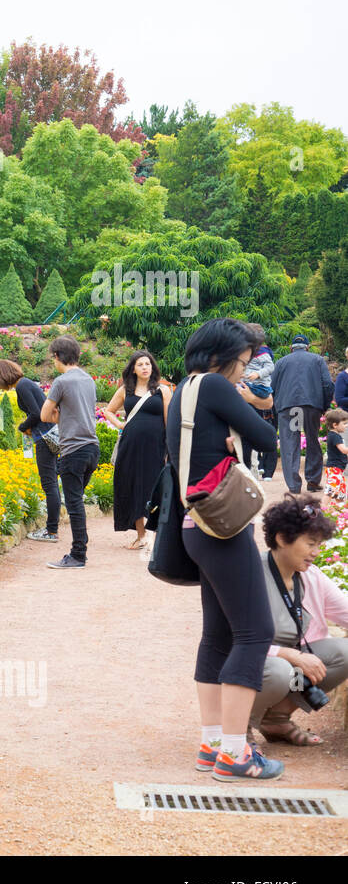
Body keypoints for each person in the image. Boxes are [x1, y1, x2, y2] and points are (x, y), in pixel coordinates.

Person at [167, 318, 282, 781]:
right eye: (243, 361)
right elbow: (267, 439)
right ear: (221, 356)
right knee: (254, 632)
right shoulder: (215, 386)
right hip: (223, 528)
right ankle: (235, 753)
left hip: (194, 524)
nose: (245, 369)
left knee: (217, 636)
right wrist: (252, 400)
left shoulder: (184, 390)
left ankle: (212, 743)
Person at [249, 494, 348, 746]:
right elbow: (231, 641)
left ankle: (277, 719)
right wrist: (288, 655)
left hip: (291, 663)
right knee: (280, 671)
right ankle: (238, 727)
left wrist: (295, 657)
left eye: (319, 545)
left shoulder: (310, 576)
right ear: (282, 538)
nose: (316, 552)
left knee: (344, 653)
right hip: (252, 663)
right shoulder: (251, 574)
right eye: (310, 544)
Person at [39, 336, 99, 569]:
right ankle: (79, 552)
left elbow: (45, 415)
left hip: (73, 449)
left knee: (74, 504)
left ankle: (78, 555)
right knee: (77, 502)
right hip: (92, 448)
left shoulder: (61, 381)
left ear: (57, 356)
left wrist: (60, 416)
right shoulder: (89, 380)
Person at [102, 350, 171, 550]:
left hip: (156, 447)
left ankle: (156, 537)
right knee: (134, 487)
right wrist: (120, 425)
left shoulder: (162, 390)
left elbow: (169, 422)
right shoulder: (126, 390)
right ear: (133, 368)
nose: (144, 367)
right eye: (140, 364)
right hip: (131, 446)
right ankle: (141, 536)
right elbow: (108, 411)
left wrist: (169, 449)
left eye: (147, 364)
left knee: (155, 489)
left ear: (152, 367)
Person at [0, 359, 61, 544]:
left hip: (44, 437)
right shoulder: (26, 383)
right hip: (49, 435)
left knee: (49, 484)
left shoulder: (22, 386)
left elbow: (36, 413)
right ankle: (52, 528)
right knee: (52, 482)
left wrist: (22, 427)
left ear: (2, 376)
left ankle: (51, 531)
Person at [271, 334, 334, 494]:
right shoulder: (318, 360)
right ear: (307, 347)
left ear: (291, 348)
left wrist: (277, 406)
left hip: (289, 407)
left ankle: (294, 485)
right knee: (312, 440)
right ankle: (313, 481)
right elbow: (327, 384)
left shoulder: (281, 362)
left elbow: (272, 387)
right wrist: (325, 405)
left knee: (290, 443)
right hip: (311, 406)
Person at [240, 324, 278, 480]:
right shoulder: (243, 354)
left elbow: (268, 402)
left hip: (258, 387)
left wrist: (257, 374)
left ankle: (259, 471)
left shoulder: (262, 353)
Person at [324, 409, 348, 501]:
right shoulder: (335, 436)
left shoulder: (334, 435)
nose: (346, 426)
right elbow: (344, 450)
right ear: (335, 425)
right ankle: (322, 507)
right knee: (330, 491)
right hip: (335, 469)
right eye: (344, 423)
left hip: (338, 469)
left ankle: (340, 508)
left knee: (340, 492)